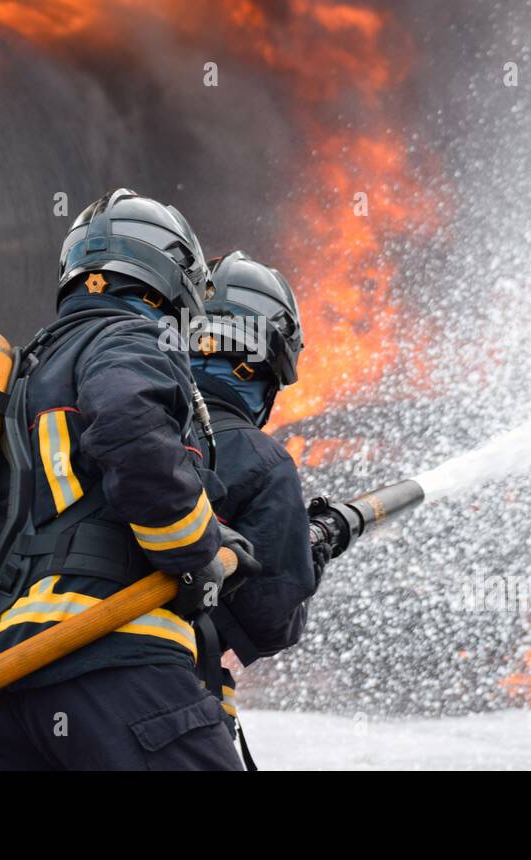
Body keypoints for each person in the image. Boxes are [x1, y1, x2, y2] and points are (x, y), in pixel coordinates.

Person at [0, 188, 258, 770]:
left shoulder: (15, 378)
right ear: (172, 283)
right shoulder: (126, 336)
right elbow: (128, 426)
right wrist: (196, 556)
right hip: (109, 664)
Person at [187, 251, 317, 768]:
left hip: (15, 697)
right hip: (157, 704)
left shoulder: (106, 420)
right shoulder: (262, 460)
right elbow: (269, 621)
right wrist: (306, 555)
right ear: (261, 370)